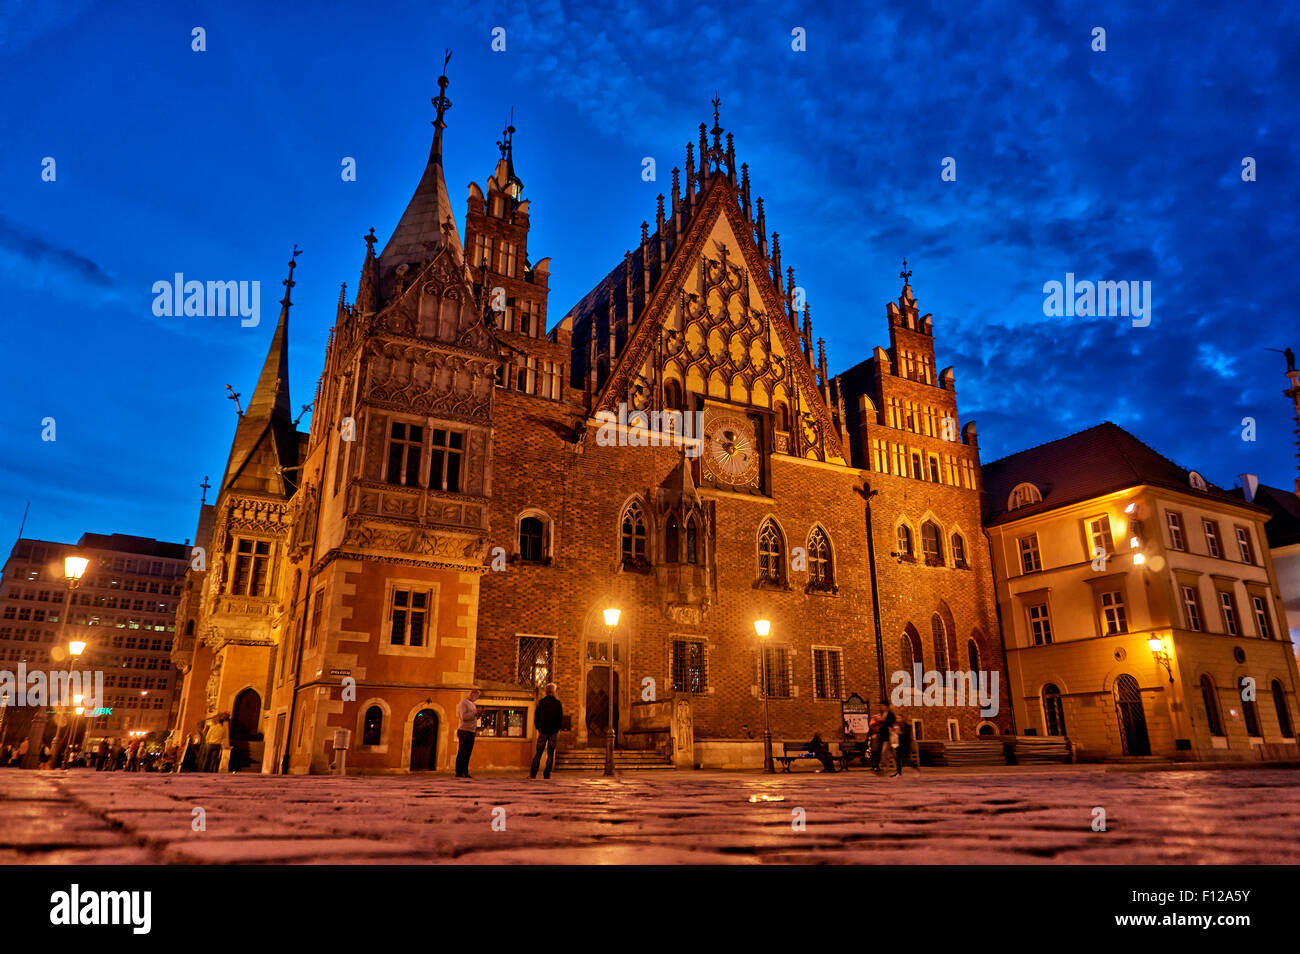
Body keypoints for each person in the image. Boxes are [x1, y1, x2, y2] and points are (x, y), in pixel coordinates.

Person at [530, 683, 563, 779]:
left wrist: (538, 727)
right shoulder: (557, 704)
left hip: (543, 730)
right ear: (554, 692)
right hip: (553, 731)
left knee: (538, 753)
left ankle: (533, 774)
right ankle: (547, 774)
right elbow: (560, 718)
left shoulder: (541, 702)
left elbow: (536, 717)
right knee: (550, 753)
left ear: (546, 691)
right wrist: (557, 729)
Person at [455, 687, 481, 778]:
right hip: (464, 731)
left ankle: (465, 771)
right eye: (477, 696)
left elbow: (473, 717)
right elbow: (464, 717)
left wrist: (478, 715)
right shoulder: (463, 703)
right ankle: (459, 772)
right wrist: (474, 713)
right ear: (473, 694)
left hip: (471, 731)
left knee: (468, 753)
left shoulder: (473, 704)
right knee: (462, 752)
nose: (477, 698)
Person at [870, 702, 896, 774]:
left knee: (888, 752)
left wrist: (883, 721)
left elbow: (892, 723)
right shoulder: (881, 714)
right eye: (881, 706)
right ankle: (885, 767)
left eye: (883, 706)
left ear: (886, 707)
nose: (882, 707)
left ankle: (894, 767)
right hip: (883, 737)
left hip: (889, 736)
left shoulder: (891, 714)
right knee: (884, 752)